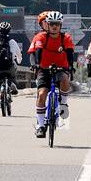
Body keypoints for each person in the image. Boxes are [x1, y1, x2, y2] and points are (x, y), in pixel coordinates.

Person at [28, 10, 74, 138]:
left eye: (57, 24)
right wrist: (36, 64)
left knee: (65, 79)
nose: (54, 26)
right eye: (52, 24)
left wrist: (70, 66)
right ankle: (41, 126)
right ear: (47, 24)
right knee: (42, 94)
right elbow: (37, 51)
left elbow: (70, 53)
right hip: (44, 68)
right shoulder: (40, 37)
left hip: (61, 67)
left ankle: (63, 103)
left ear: (60, 25)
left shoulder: (66, 38)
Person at [0, 21, 22, 106]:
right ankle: (12, 83)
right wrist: (19, 60)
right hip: (9, 67)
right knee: (13, 71)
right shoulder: (12, 42)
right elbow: (19, 55)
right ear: (9, 31)